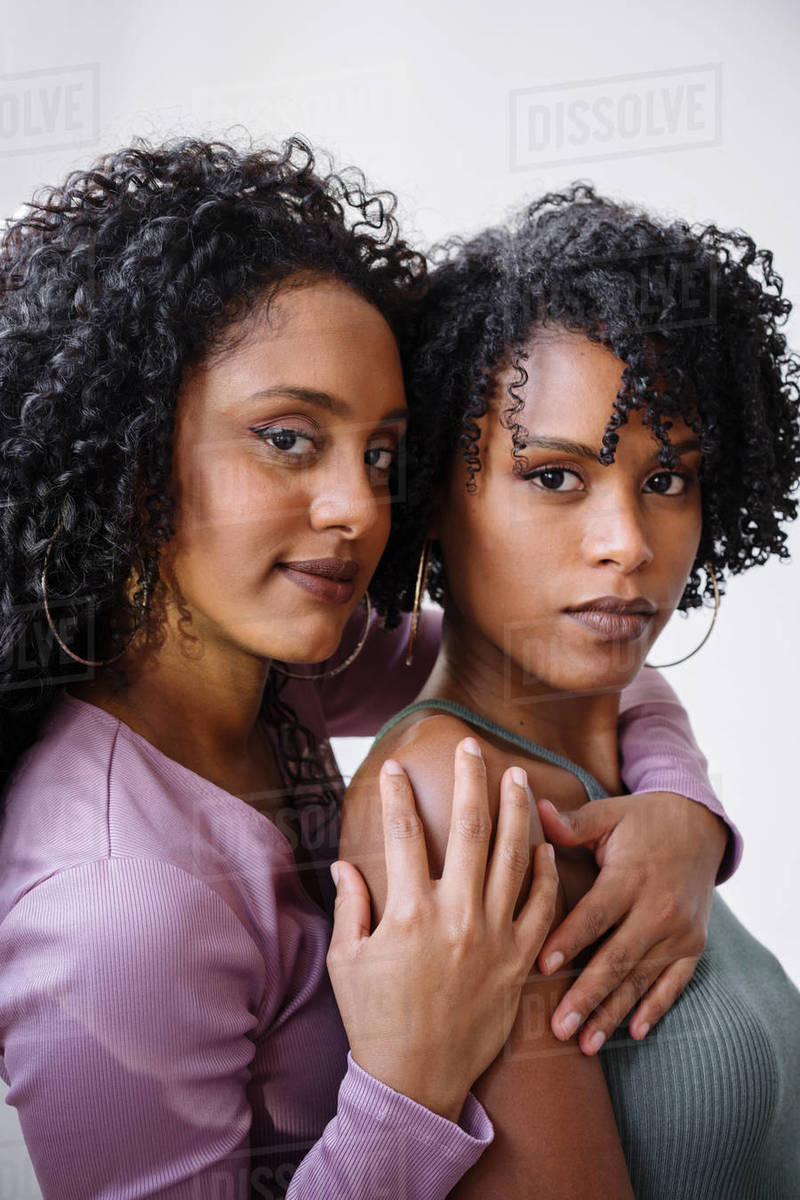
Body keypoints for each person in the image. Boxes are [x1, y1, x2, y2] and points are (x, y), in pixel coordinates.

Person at [0, 140, 738, 1199]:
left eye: (381, 454)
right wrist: (409, 1078)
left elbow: (564, 652)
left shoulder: (283, 659)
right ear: (131, 450)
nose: (357, 509)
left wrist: (680, 815)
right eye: (289, 439)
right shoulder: (115, 905)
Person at [340, 184, 800, 1197]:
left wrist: (687, 814)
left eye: (666, 479)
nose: (626, 545)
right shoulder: (453, 799)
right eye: (552, 476)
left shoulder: (623, 775)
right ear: (428, 501)